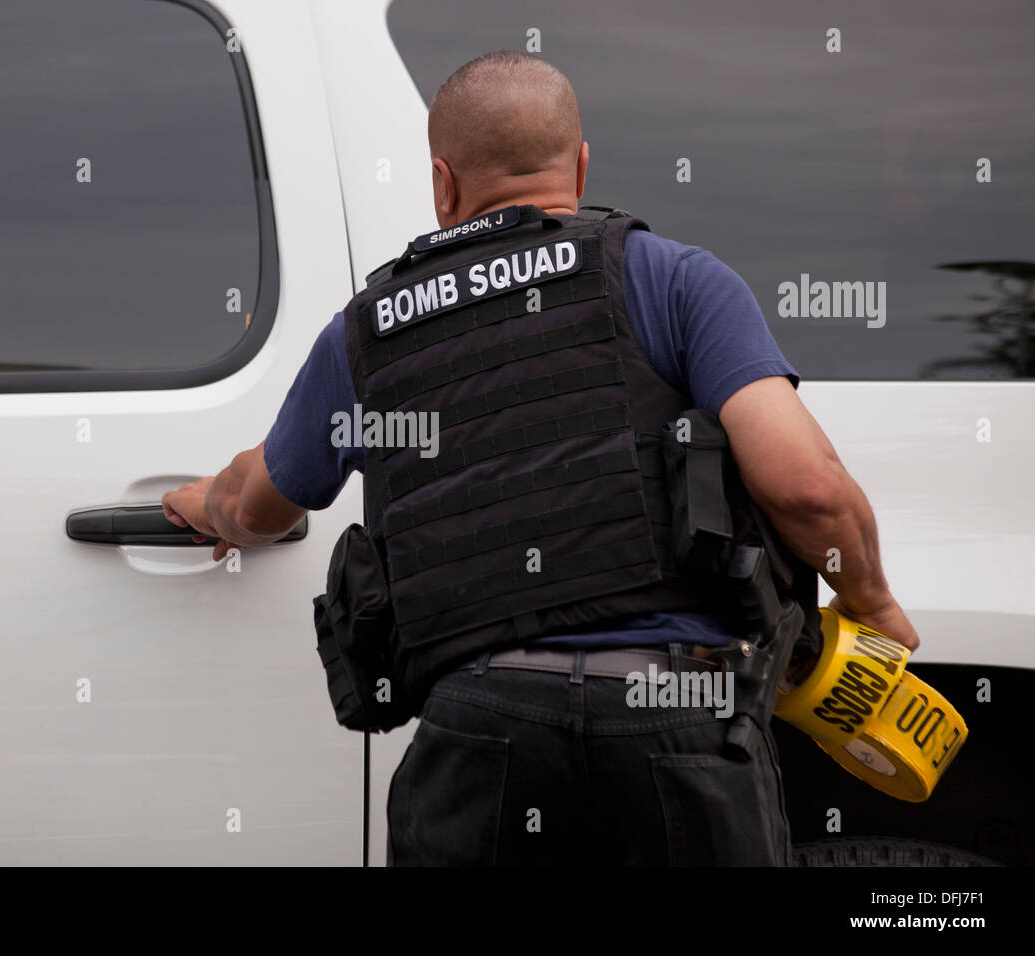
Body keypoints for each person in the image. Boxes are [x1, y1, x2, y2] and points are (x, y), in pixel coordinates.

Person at [161, 50, 919, 866]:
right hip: (675, 718)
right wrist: (871, 602)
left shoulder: (368, 332)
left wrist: (199, 501)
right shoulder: (670, 279)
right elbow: (805, 487)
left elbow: (256, 505)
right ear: (581, 165)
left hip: (480, 735)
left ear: (443, 184)